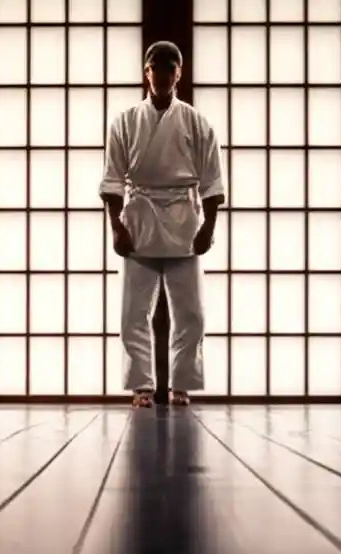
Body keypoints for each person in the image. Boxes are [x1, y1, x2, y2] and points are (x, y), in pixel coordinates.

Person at [99, 40, 226, 409]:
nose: (163, 73)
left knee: (191, 313)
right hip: (140, 216)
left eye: (170, 67)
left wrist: (209, 226)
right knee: (133, 312)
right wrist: (116, 226)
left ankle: (181, 385)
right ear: (147, 71)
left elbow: (212, 182)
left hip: (184, 219)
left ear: (179, 73)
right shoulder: (124, 122)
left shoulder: (196, 123)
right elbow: (112, 180)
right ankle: (142, 387)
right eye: (156, 66)